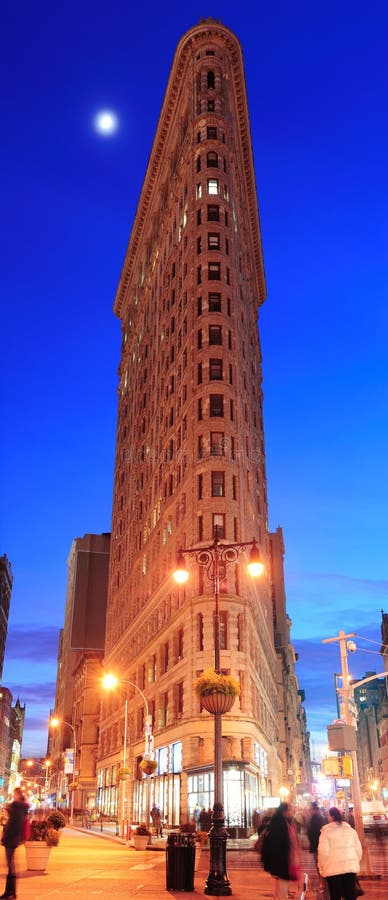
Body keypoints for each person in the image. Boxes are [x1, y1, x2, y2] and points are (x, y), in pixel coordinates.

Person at [318, 806, 362, 900]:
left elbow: (323, 853)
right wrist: (353, 861)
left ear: (331, 817)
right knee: (350, 896)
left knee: (335, 896)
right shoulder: (351, 831)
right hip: (350, 869)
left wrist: (322, 868)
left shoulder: (326, 833)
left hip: (333, 870)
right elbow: (358, 850)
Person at [261, 802, 301, 898]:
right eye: (290, 809)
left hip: (282, 860)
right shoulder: (280, 824)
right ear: (285, 811)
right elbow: (278, 844)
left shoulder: (283, 821)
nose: (292, 812)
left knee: (280, 889)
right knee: (283, 889)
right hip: (281, 860)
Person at [1, 787, 29, 899]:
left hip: (11, 839)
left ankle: (11, 893)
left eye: (14, 794)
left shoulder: (16, 807)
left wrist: (6, 836)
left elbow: (13, 825)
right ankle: (9, 892)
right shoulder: (21, 808)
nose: (13, 796)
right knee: (10, 865)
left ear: (17, 795)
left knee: (10, 866)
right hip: (13, 838)